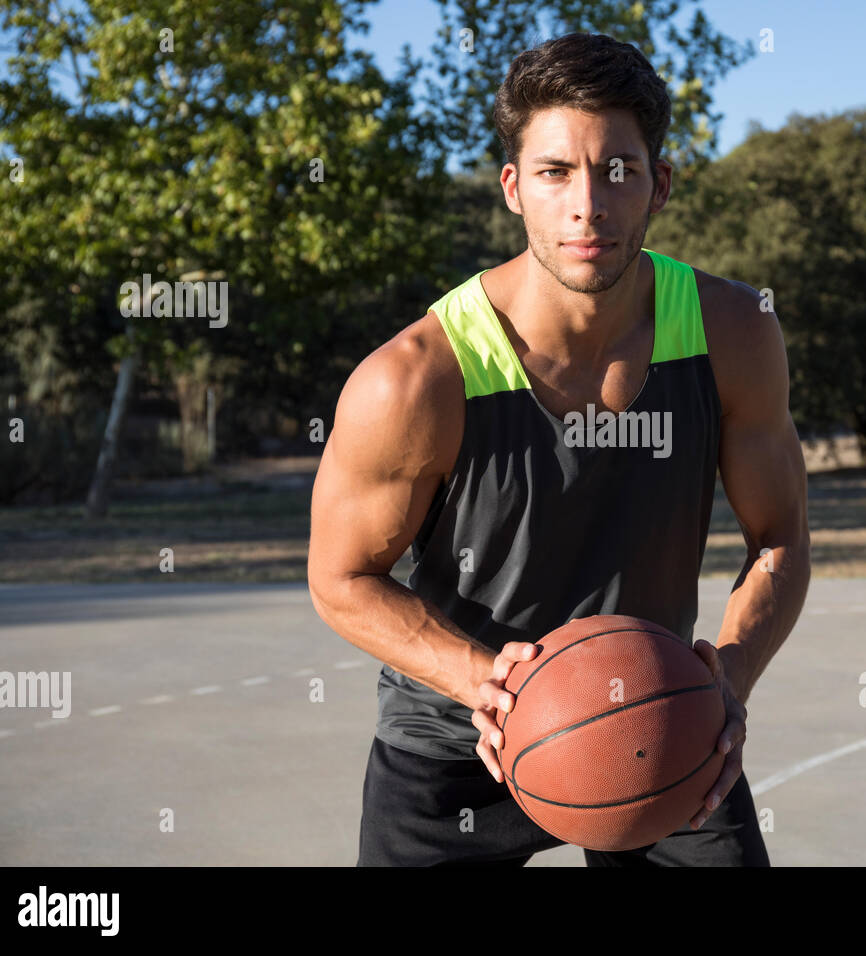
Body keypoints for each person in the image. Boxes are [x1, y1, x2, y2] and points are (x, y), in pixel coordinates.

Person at [307, 32, 810, 867]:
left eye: (619, 170)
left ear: (661, 186)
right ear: (512, 187)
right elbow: (339, 577)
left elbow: (780, 538)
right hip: (457, 739)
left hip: (657, 723)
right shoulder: (416, 378)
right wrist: (487, 684)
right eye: (554, 173)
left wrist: (730, 676)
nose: (588, 204)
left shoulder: (731, 332)